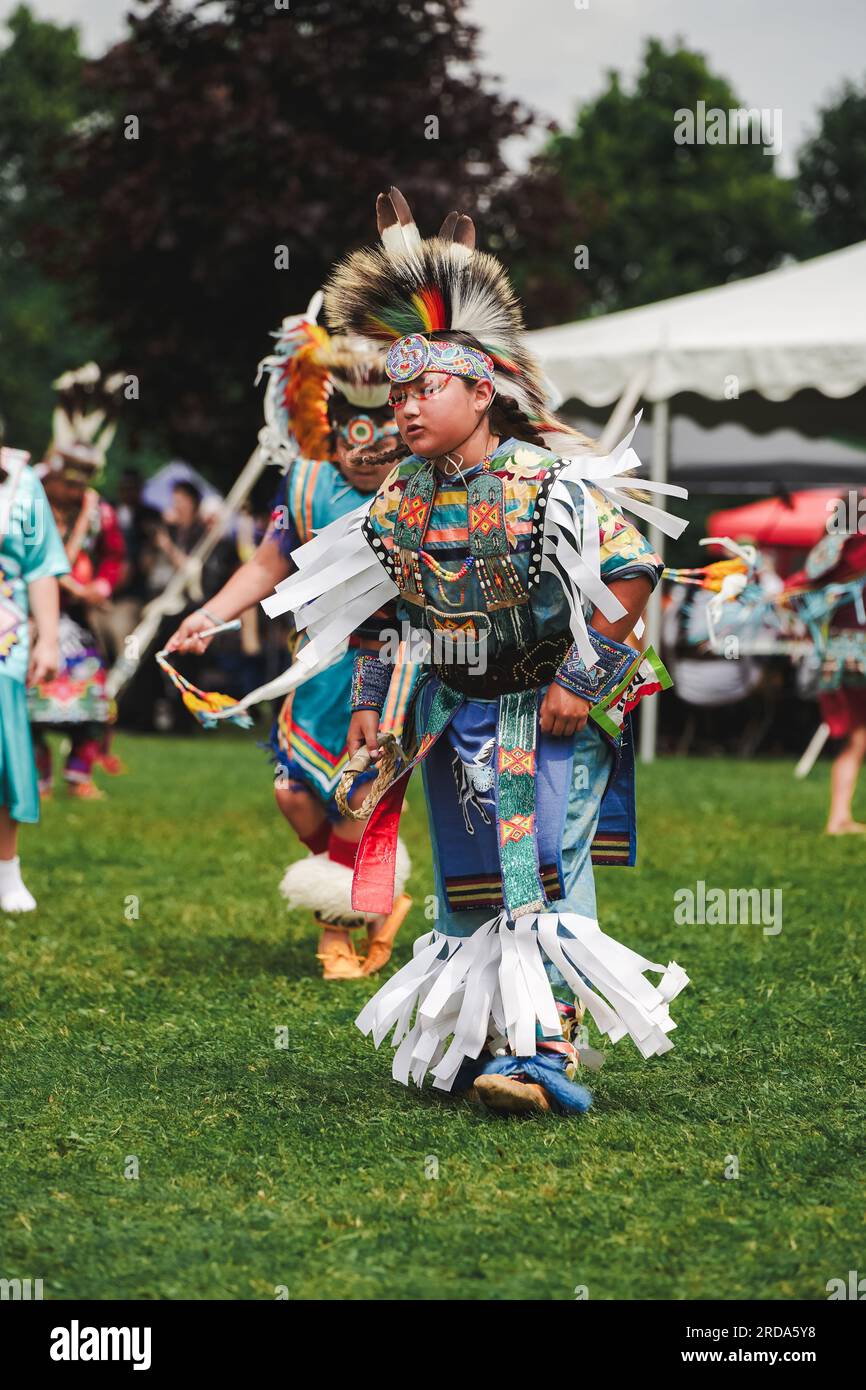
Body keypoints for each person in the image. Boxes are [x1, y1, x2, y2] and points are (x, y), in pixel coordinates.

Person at [262, 187, 690, 1117]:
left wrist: (583, 677)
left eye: (427, 390)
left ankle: (545, 1051)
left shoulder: (546, 482)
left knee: (538, 860)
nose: (406, 408)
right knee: (467, 882)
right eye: (400, 391)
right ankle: (471, 1040)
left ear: (480, 391)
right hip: (453, 712)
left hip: (549, 707)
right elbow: (383, 607)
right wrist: (374, 701)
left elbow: (633, 571)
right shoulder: (406, 494)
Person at [166, 313, 415, 979]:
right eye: (353, 444)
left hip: (396, 662)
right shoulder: (307, 484)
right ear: (331, 435)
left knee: (357, 792)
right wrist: (209, 616)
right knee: (294, 794)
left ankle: (339, 927)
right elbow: (268, 564)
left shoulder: (427, 484)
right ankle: (370, 897)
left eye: (381, 445)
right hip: (321, 662)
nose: (366, 457)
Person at [28, 365, 127, 800]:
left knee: (92, 699)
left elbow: (114, 556)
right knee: (28, 701)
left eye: (81, 482)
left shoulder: (97, 510)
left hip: (81, 619)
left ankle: (79, 775)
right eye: (66, 481)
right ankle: (38, 778)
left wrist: (102, 587)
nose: (73, 490)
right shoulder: (26, 502)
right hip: (29, 616)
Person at [0, 436, 69, 911]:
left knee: (5, 749)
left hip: (4, 633)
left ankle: (7, 870)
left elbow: (41, 564)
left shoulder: (21, 481)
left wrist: (47, 638)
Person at [785, 522, 866, 834]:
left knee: (858, 737)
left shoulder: (834, 550)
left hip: (838, 654)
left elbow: (800, 588)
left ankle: (839, 817)